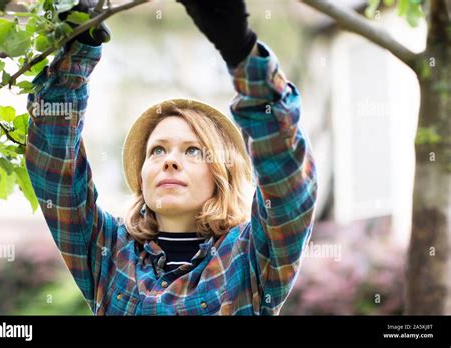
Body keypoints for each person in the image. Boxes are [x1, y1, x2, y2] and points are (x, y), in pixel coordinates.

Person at [25, 0, 318, 315]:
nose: (170, 161)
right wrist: (80, 43)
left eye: (192, 150)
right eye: (157, 150)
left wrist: (243, 53)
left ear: (222, 173)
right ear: (142, 177)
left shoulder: (250, 257)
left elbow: (289, 187)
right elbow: (53, 167)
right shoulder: (108, 252)